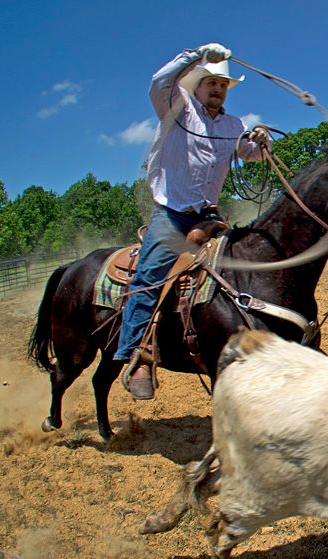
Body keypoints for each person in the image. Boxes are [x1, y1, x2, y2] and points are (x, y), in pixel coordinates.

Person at [115, 43, 270, 400]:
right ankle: (136, 353)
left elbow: (251, 155)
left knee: (242, 269)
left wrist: (262, 142)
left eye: (222, 84)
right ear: (197, 85)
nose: (216, 88)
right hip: (172, 214)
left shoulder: (234, 125)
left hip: (209, 215)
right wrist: (195, 55)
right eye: (210, 82)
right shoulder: (179, 111)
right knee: (149, 277)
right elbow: (158, 83)